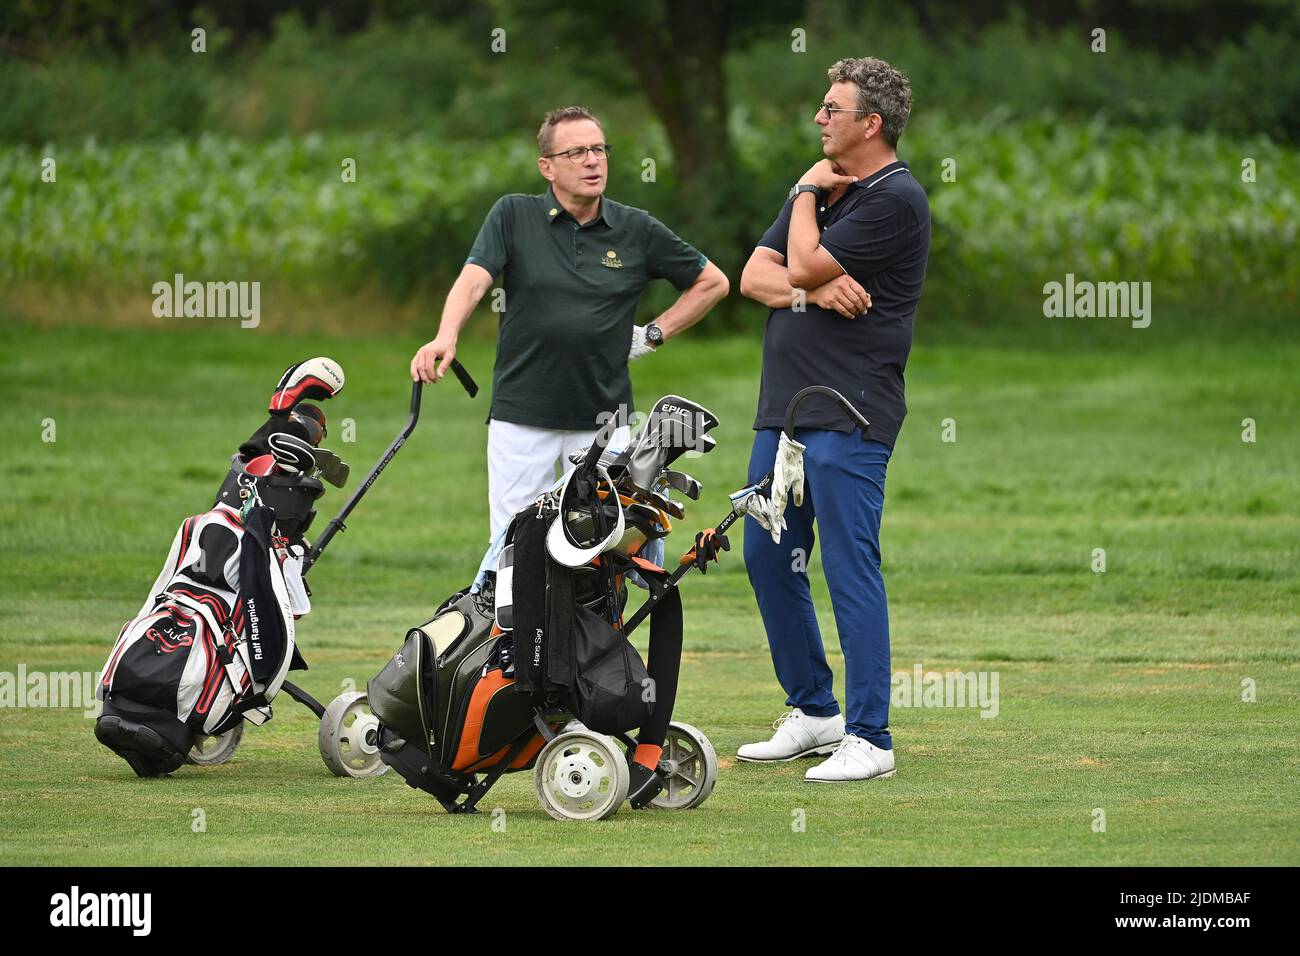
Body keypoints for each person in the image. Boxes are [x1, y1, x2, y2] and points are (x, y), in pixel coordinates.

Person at [736, 57, 931, 782]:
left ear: (869, 124)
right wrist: (813, 291)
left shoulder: (895, 198)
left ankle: (871, 737)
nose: (819, 119)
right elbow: (757, 277)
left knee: (850, 566)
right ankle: (815, 709)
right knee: (765, 555)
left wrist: (806, 212)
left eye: (831, 109)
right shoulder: (818, 186)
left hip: (849, 412)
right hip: (783, 410)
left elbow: (801, 259)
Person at [411, 106, 729, 541]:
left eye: (599, 149)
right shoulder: (513, 215)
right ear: (547, 167)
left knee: (606, 544)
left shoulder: (634, 228)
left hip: (604, 417)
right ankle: (517, 613)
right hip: (522, 415)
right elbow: (474, 279)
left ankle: (594, 615)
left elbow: (712, 282)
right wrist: (446, 335)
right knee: (514, 543)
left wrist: (653, 334)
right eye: (576, 152)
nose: (592, 161)